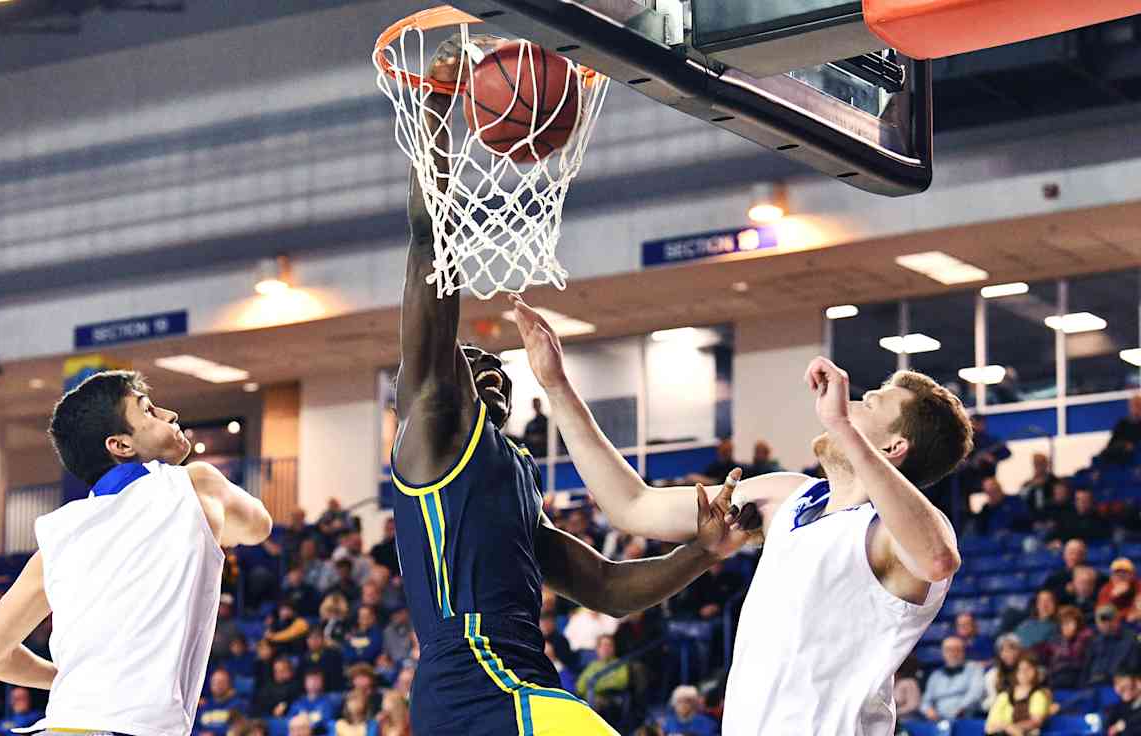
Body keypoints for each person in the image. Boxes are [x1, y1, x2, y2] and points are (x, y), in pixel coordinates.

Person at [387, 36, 749, 736]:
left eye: (499, 366)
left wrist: (702, 552)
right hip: (477, 682)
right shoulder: (431, 428)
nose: (492, 366)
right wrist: (436, 106)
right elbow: (430, 244)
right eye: (473, 359)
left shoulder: (515, 477)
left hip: (516, 684)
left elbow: (607, 588)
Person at [513, 295, 973, 734]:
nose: (846, 406)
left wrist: (842, 427)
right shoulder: (787, 496)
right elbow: (634, 505)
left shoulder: (885, 533)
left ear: (893, 447)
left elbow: (937, 559)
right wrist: (556, 385)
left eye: (866, 405)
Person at [0, 371, 273, 734]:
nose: (170, 414)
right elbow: (258, 527)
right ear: (121, 445)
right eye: (148, 410)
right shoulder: (195, 485)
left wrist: (69, 681)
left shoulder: (58, 537)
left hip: (65, 723)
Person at [984, 653, 1051, 736]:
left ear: (1035, 671)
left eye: (1028, 668)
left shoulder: (1039, 695)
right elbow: (990, 726)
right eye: (1020, 669)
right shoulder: (1004, 695)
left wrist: (1012, 728)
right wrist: (1007, 727)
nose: (1024, 672)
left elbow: (1036, 722)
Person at [921, 637, 985, 721]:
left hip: (965, 717)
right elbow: (926, 701)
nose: (953, 653)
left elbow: (975, 693)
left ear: (963, 652)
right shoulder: (935, 675)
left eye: (957, 649)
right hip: (938, 720)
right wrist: (928, 710)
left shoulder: (975, 669)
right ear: (943, 653)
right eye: (948, 650)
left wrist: (961, 708)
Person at [1084, 605, 1140, 687]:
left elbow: (1133, 668)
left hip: (1118, 686)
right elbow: (1086, 668)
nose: (1104, 624)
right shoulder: (1095, 640)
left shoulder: (1130, 640)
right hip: (1093, 685)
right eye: (1100, 620)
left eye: (1107, 619)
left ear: (1117, 620)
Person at [1045, 606, 1093, 689]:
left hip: (1076, 676)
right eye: (1063, 623)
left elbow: (1075, 656)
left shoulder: (1086, 637)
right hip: (1057, 677)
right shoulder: (1056, 639)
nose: (1066, 626)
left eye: (1069, 622)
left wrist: (1067, 640)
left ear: (1078, 623)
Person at [199, 669, 249, 736]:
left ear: (229, 684)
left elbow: (239, 729)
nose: (217, 685)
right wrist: (199, 734)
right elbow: (193, 727)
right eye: (214, 682)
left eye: (221, 682)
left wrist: (215, 734)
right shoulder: (203, 705)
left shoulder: (238, 704)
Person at [299, 626, 346, 693]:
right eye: (310, 638)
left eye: (317, 637)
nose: (314, 641)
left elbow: (337, 677)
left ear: (323, 639)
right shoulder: (303, 657)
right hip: (309, 693)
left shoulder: (333, 655)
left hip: (331, 691)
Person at [985, 634, 1025, 712]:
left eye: (1012, 649)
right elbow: (992, 699)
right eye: (1003, 650)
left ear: (1020, 651)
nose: (1008, 654)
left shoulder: (1028, 671)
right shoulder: (992, 675)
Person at [1100, 394, 1141, 465]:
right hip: (1121, 457)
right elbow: (1111, 445)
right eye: (1133, 406)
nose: (1135, 409)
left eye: (1137, 406)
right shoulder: (1123, 424)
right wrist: (1124, 446)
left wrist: (1134, 447)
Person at [1105, 666, 1141, 736]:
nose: (1118, 689)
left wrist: (1124, 726)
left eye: (1125, 687)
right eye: (1116, 684)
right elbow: (1108, 727)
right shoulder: (1123, 706)